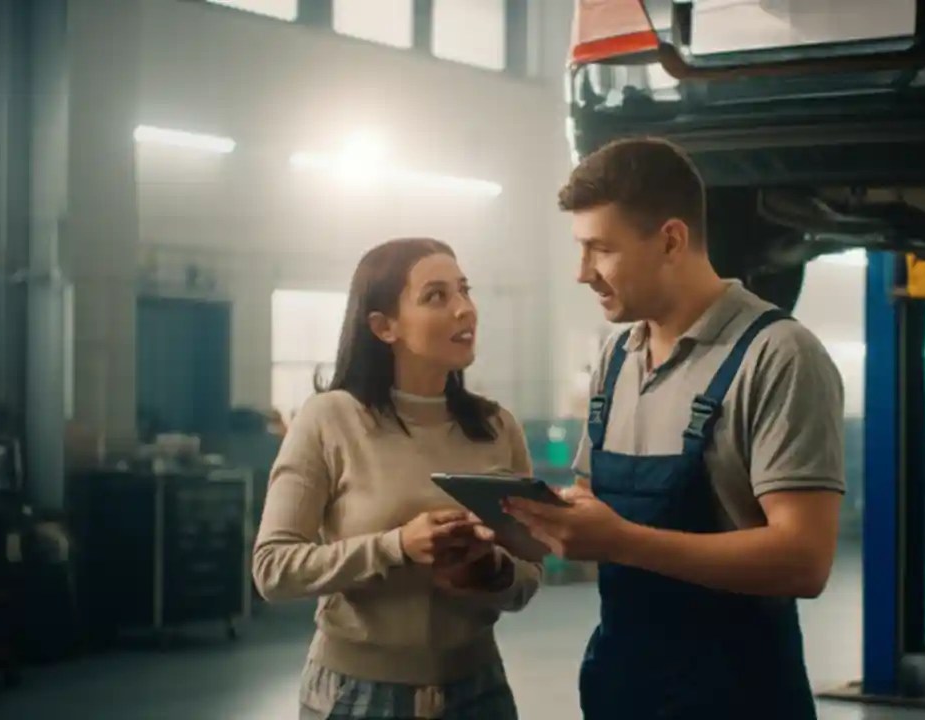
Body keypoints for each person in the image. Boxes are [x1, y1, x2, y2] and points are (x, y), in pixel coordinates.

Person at [505, 138, 845, 719]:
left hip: (739, 698)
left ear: (670, 240)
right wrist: (507, 531)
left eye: (600, 249)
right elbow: (593, 507)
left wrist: (624, 542)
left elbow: (804, 559)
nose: (581, 273)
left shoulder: (778, 356)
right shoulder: (615, 359)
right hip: (624, 687)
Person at [253, 238, 541, 720]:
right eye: (436, 296)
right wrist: (396, 547)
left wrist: (490, 570)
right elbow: (273, 568)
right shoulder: (330, 419)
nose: (464, 310)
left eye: (465, 292)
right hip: (356, 696)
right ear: (384, 327)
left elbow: (530, 573)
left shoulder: (497, 427)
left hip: (480, 691)